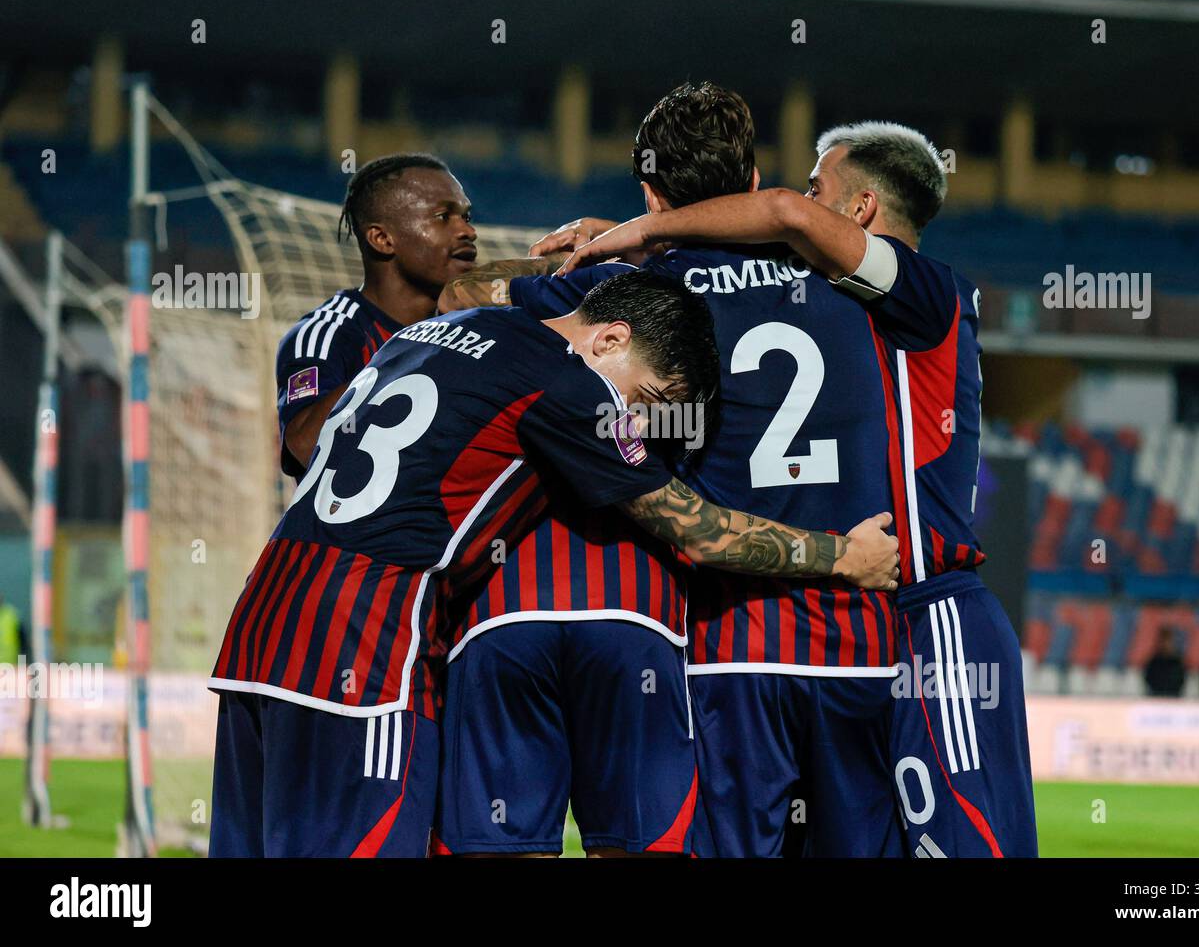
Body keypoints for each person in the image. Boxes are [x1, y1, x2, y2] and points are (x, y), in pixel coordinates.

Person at [207, 270, 898, 857]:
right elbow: (701, 535)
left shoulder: (429, 333)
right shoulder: (567, 384)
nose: (632, 419)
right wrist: (845, 557)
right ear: (611, 338)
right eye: (646, 399)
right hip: (367, 636)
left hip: (263, 620)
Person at [440, 84, 910, 858]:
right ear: (755, 182)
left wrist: (619, 242)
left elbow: (460, 293)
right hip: (857, 633)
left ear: (650, 194)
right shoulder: (849, 281)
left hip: (730, 636)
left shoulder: (634, 295)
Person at [562, 118, 1040, 857]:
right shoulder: (835, 297)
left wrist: (642, 231)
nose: (798, 204)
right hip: (866, 615)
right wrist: (662, 243)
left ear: (858, 212)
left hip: (931, 611)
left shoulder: (923, 292)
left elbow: (780, 212)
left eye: (821, 189)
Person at [277, 153, 478, 479]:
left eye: (466, 216)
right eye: (443, 217)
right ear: (382, 239)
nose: (467, 231)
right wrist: (411, 353)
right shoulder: (328, 332)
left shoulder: (477, 328)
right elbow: (303, 443)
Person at [1144, 625, 1186, 697]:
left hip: (1173, 697)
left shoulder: (1177, 661)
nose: (1165, 644)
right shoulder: (1154, 661)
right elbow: (1148, 679)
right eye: (1163, 641)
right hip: (1155, 696)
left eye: (1168, 641)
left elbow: (1181, 680)